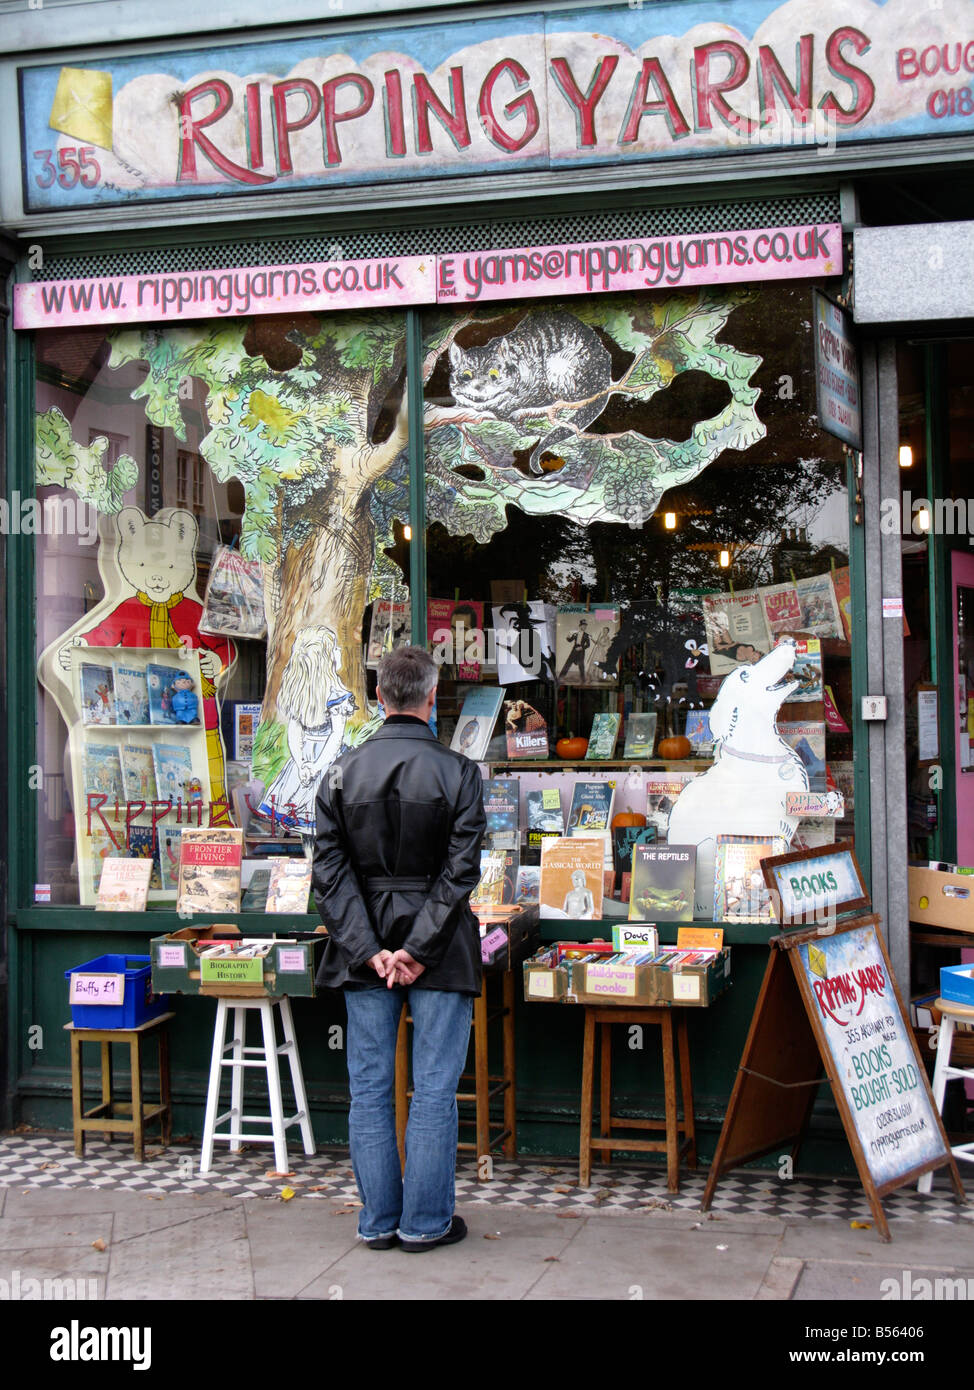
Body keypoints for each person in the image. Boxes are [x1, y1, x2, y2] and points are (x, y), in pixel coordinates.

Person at [312, 645, 486, 1252]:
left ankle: (378, 1220)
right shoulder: (461, 772)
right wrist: (417, 948)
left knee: (370, 1091)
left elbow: (329, 878)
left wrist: (370, 951)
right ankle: (424, 1223)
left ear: (380, 698)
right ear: (432, 698)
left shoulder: (339, 772)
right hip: (440, 949)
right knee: (435, 1090)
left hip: (367, 952)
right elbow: (461, 873)